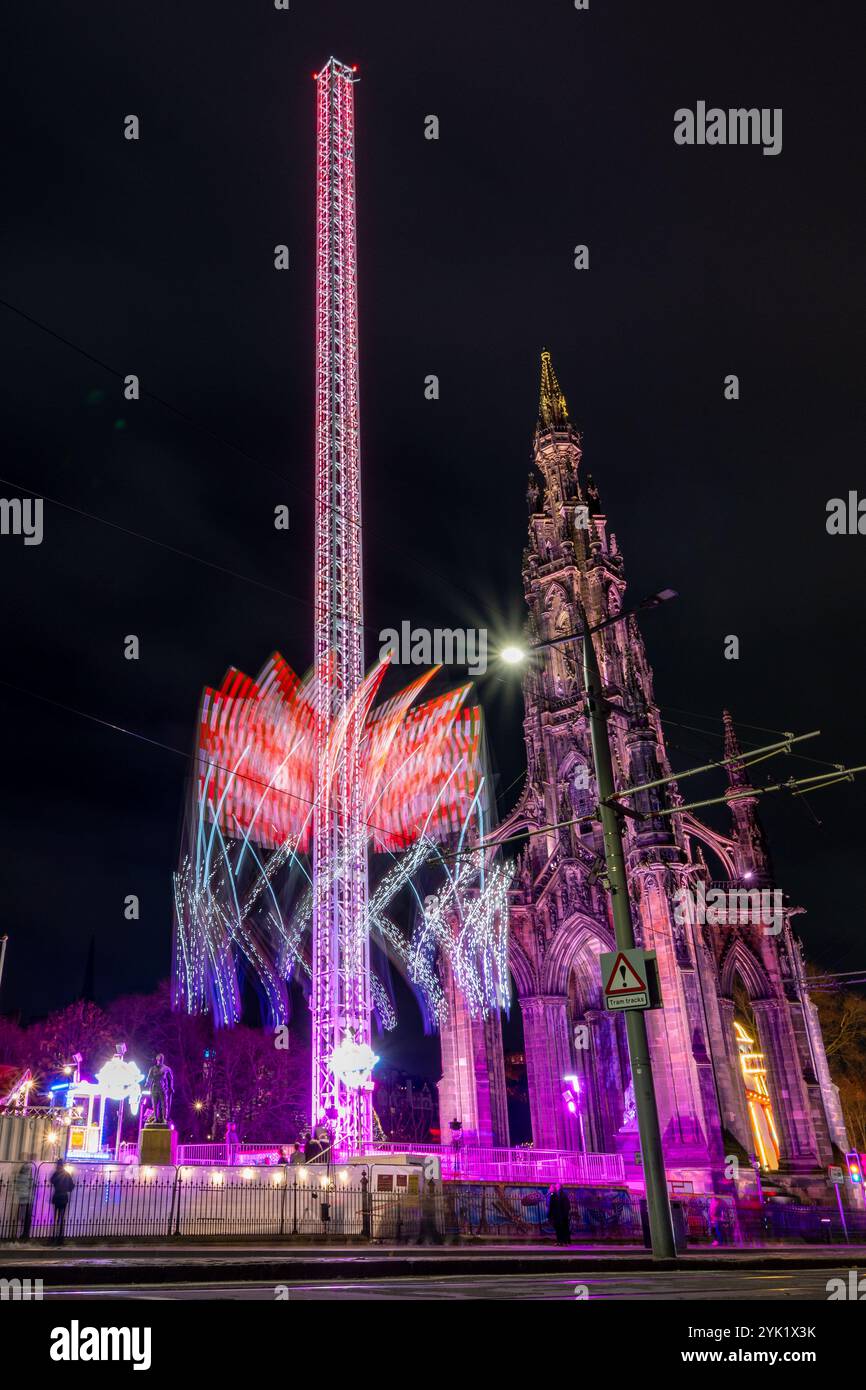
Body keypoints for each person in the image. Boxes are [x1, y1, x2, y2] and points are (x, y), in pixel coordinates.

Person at [49, 1160, 75, 1246]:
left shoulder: (56, 1173)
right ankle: (60, 1238)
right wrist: (66, 1188)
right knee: (61, 1218)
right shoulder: (66, 1174)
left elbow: (52, 1181)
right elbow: (71, 1187)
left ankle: (54, 1237)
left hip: (57, 1196)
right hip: (63, 1197)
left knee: (56, 1218)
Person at [12, 1161, 34, 1242]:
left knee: (24, 1218)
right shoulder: (27, 1178)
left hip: (23, 1200)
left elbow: (18, 1188)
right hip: (27, 1200)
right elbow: (31, 1186)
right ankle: (25, 1234)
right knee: (26, 1218)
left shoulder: (20, 1178)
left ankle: (22, 1234)